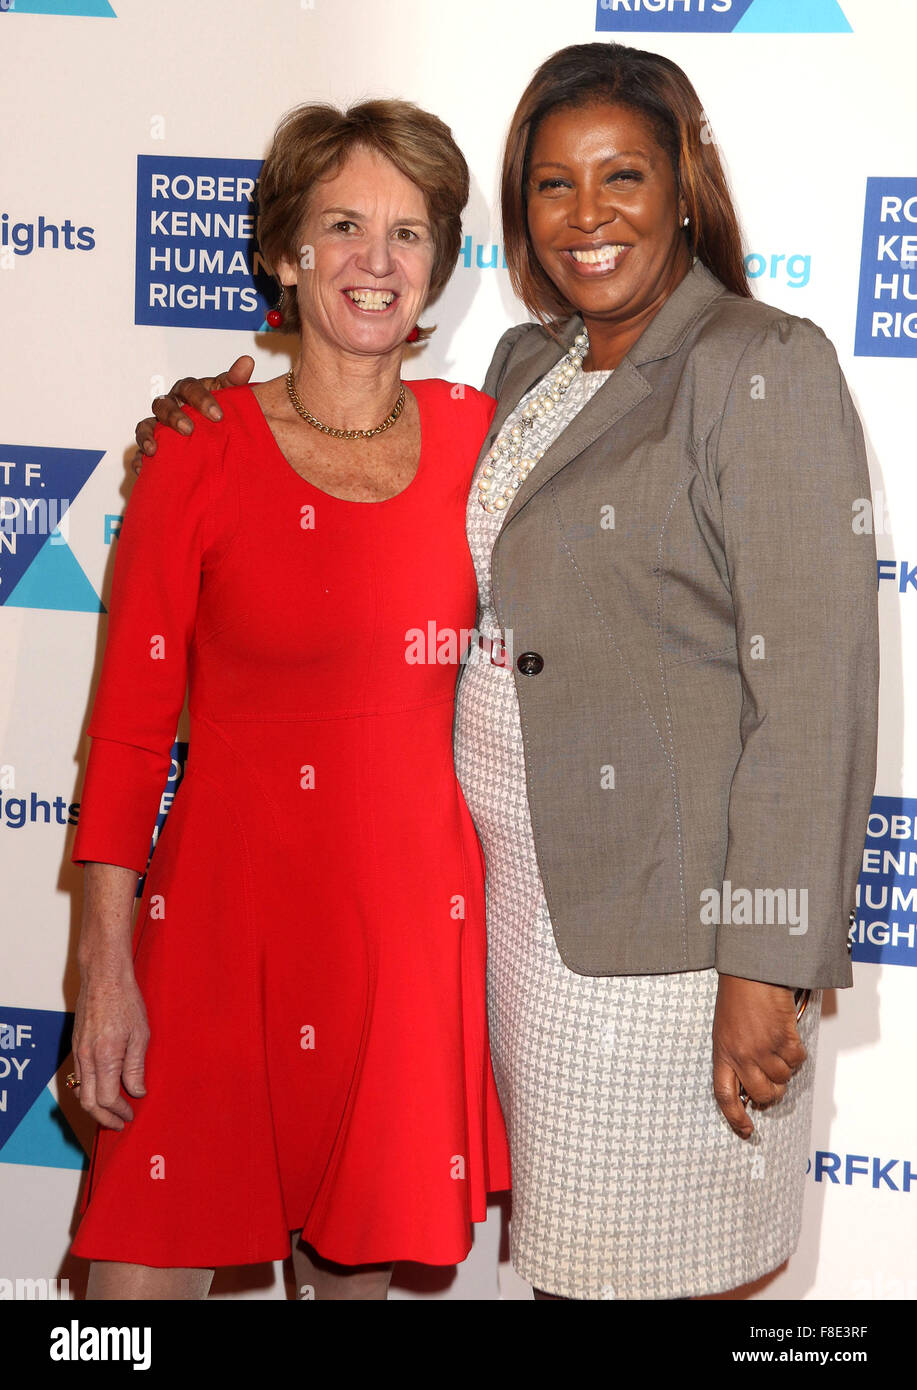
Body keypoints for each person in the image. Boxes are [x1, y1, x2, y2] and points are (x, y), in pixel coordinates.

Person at [137, 43, 879, 1301]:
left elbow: (811, 693)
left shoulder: (761, 363)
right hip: (521, 940)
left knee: (670, 1275)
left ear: (685, 185)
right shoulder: (524, 371)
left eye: (622, 176)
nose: (586, 216)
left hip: (676, 958)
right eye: (551, 185)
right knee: (570, 1279)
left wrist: (765, 966)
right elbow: (364, 486)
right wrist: (210, 414)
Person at [68, 98, 511, 1302]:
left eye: (410, 233)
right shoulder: (196, 451)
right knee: (125, 1309)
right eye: (343, 226)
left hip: (403, 937)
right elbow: (124, 735)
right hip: (216, 932)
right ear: (284, 252)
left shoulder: (482, 440)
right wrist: (102, 966)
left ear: (439, 263)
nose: (378, 261)